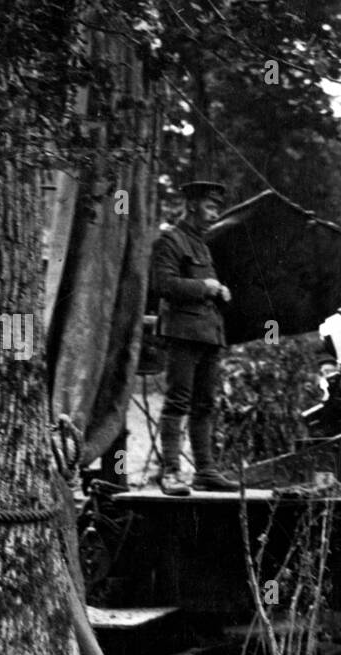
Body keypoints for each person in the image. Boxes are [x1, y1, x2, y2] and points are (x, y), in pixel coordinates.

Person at [150, 179, 236, 494]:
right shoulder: (169, 241)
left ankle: (205, 470)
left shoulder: (201, 244)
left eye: (217, 208)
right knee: (177, 402)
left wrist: (219, 292)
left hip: (208, 335)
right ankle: (170, 473)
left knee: (206, 405)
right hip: (183, 334)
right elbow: (163, 285)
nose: (215, 214)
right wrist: (206, 288)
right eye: (210, 207)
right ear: (191, 205)